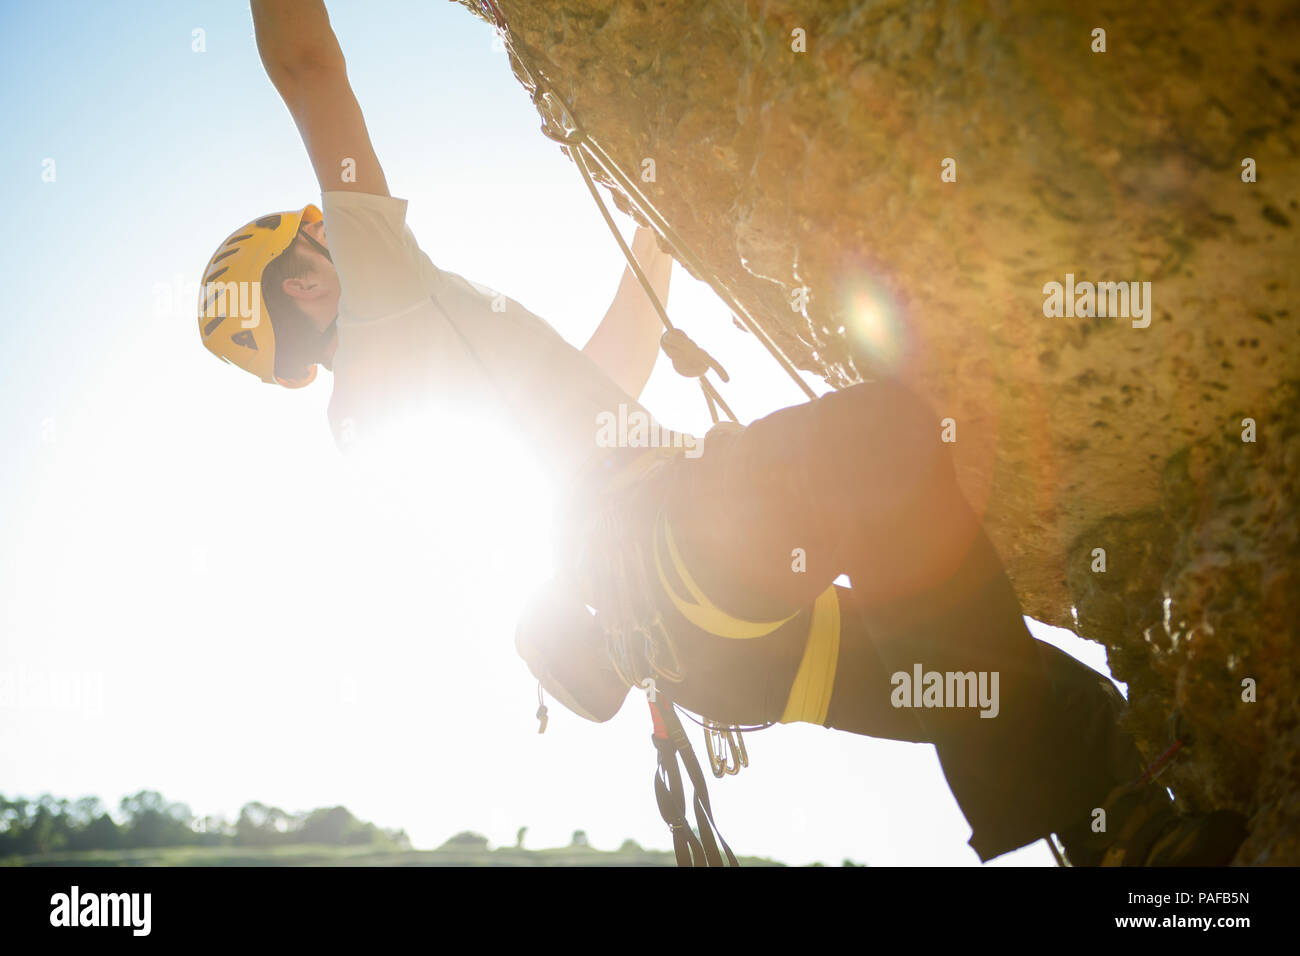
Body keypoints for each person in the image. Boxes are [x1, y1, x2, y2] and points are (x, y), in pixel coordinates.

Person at [198, 0, 1246, 866]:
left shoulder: (387, 385)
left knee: (1033, 690)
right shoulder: (383, 300)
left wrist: (655, 230)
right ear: (300, 277)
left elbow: (608, 376)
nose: (337, 227)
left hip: (726, 653)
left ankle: (1138, 856)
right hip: (674, 550)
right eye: (317, 233)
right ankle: (1112, 838)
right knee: (876, 445)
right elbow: (306, 64)